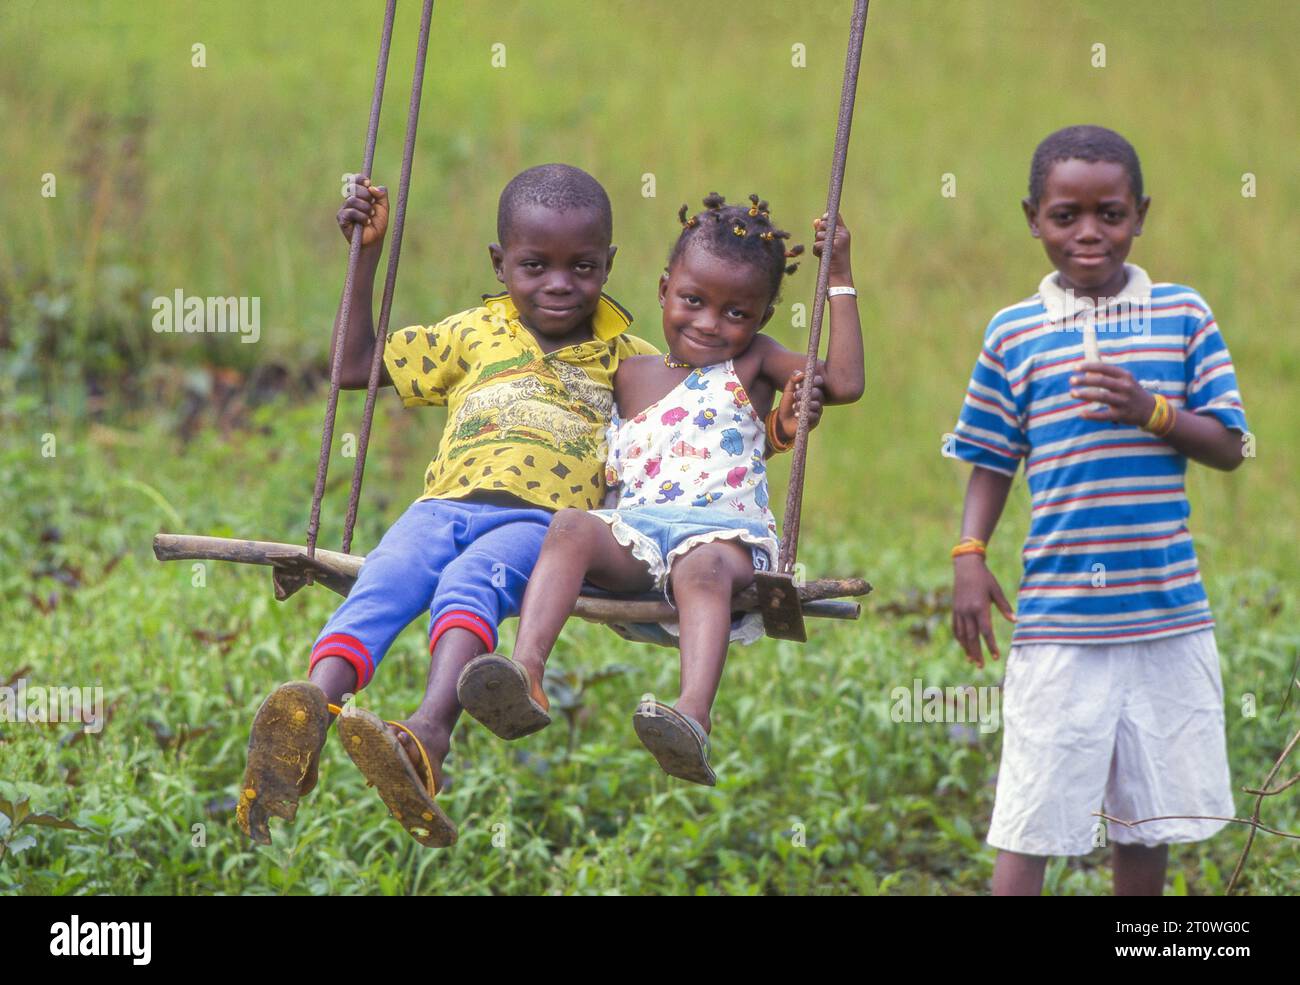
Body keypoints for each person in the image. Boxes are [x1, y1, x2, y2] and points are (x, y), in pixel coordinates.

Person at [236, 163, 665, 848]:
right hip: (440, 506)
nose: (559, 283)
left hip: (543, 524)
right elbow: (355, 366)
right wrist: (365, 254)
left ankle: (430, 732)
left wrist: (781, 404)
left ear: (609, 262)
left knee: (471, 583)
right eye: (535, 265)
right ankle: (311, 712)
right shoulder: (472, 331)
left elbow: (704, 419)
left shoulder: (631, 358)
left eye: (583, 267)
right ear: (500, 263)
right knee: (387, 575)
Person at [456, 193, 865, 786]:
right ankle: (525, 673)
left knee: (700, 567)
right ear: (663, 288)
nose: (708, 323)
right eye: (693, 301)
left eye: (736, 314)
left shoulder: (753, 364)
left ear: (762, 319)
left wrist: (842, 278)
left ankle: (692, 714)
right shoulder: (627, 372)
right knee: (570, 524)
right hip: (637, 537)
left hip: (720, 539)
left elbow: (846, 381)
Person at [945, 125, 1249, 895]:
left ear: (1140, 214)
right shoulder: (1015, 332)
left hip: (1166, 615)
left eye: (1109, 214)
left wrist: (1153, 412)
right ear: (1033, 218)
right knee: (1031, 814)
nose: (1089, 233)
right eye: (1065, 215)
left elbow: (1228, 444)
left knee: (1149, 818)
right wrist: (969, 556)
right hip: (1059, 623)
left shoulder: (1183, 316)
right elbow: (990, 456)